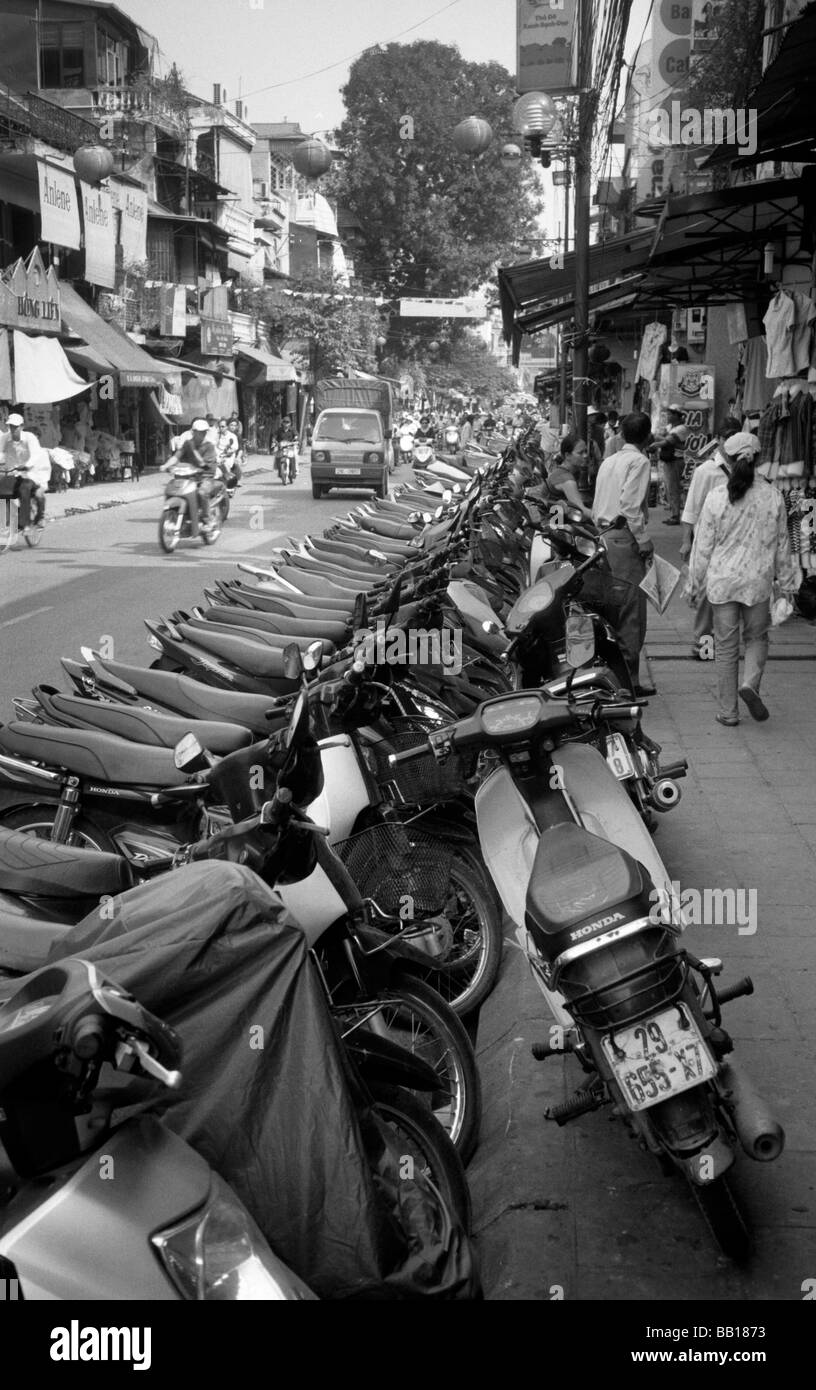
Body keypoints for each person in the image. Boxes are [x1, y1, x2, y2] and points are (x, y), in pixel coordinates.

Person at [689, 431, 798, 726]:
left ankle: (728, 712)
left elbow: (703, 545)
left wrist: (693, 584)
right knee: (757, 637)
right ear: (759, 459)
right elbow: (783, 546)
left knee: (725, 647)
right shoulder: (773, 496)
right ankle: (750, 683)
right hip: (758, 583)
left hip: (722, 583)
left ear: (727, 458)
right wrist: (788, 585)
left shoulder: (716, 497)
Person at [592, 411, 655, 693]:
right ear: (647, 436)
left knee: (612, 608)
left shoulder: (610, 460)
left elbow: (597, 503)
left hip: (603, 536)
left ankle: (615, 674)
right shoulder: (639, 461)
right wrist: (643, 540)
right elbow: (630, 506)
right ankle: (629, 680)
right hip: (623, 537)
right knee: (631, 610)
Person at [680, 417, 742, 657]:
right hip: (709, 541)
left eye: (736, 437)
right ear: (718, 440)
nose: (730, 443)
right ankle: (702, 643)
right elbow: (692, 508)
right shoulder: (706, 471)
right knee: (707, 594)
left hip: (738, 541)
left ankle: (727, 641)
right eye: (727, 438)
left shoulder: (746, 468)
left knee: (733, 591)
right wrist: (687, 541)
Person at [161, 418, 218, 529]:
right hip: (188, 476)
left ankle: (207, 520)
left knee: (201, 493)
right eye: (199, 432)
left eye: (204, 432)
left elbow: (204, 464)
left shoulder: (209, 446)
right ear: (193, 432)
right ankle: (174, 516)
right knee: (172, 489)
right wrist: (166, 465)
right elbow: (176, 457)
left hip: (205, 477)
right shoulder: (188, 444)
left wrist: (199, 462)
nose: (201, 434)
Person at [0, 413, 40, 534]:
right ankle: (3, 525)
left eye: (15, 426)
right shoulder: (5, 438)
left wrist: (27, 465)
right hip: (11, 473)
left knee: (24, 490)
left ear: (22, 426)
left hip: (29, 474)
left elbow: (36, 455)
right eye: (11, 426)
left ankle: (25, 524)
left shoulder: (30, 438)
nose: (13, 429)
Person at [656, 404, 689, 525]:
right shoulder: (671, 427)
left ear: (677, 415)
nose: (668, 416)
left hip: (676, 460)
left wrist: (658, 439)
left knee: (674, 488)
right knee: (670, 488)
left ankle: (676, 516)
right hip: (669, 460)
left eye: (670, 414)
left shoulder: (681, 428)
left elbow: (666, 441)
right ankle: (674, 514)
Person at [546, 437, 594, 520]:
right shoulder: (567, 479)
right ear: (567, 455)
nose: (585, 456)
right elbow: (581, 511)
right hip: (555, 525)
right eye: (580, 453)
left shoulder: (561, 471)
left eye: (586, 451)